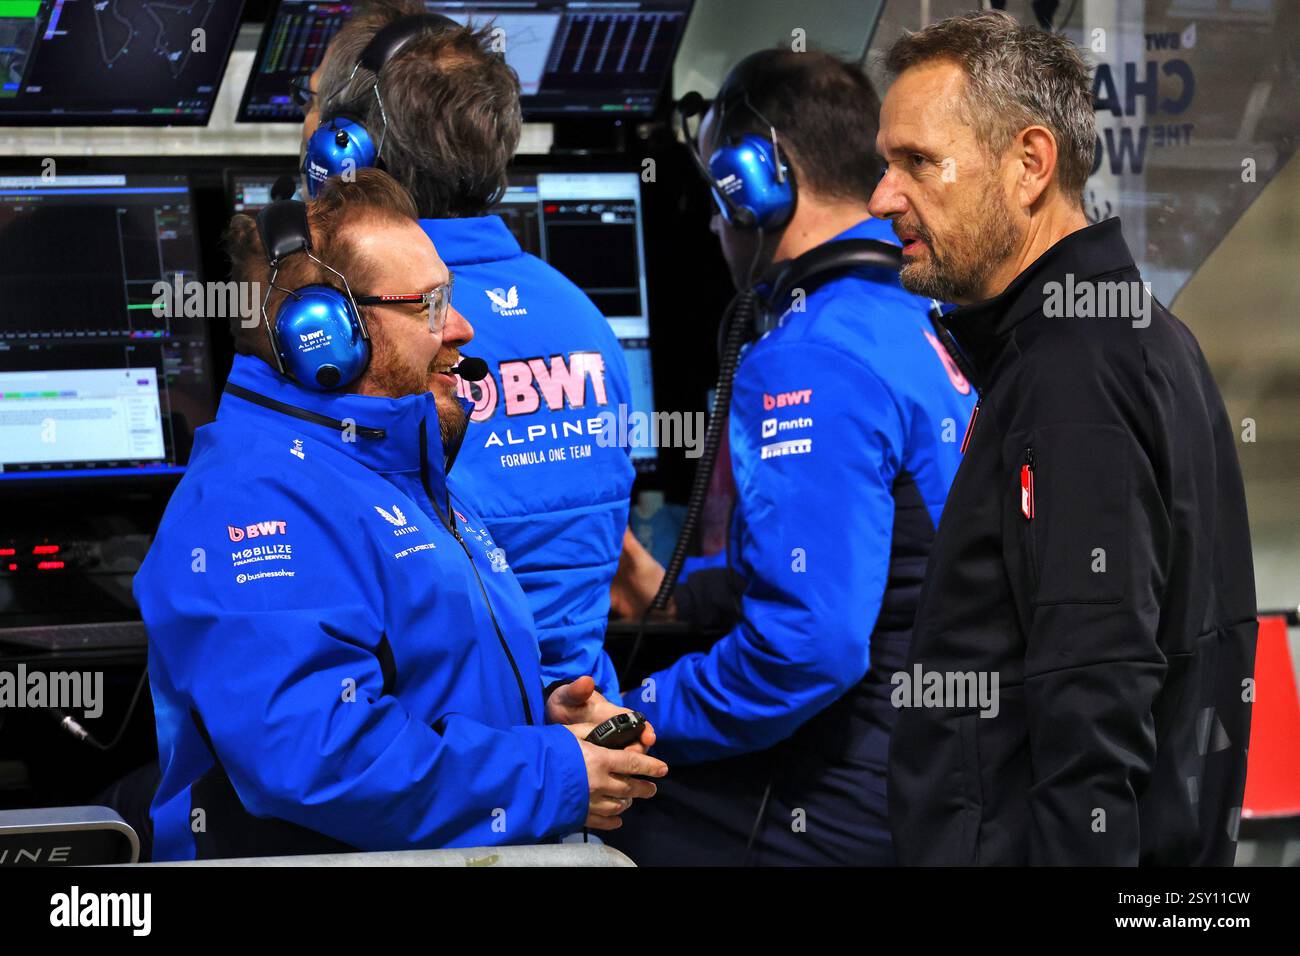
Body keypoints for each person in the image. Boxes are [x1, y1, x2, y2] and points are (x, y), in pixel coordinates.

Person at [133, 170, 665, 861]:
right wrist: (551, 772)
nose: (465, 326)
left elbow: (422, 691)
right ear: (324, 333)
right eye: (430, 305)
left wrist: (542, 721)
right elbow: (318, 757)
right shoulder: (254, 500)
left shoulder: (396, 468)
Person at [870, 11, 1257, 865]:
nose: (883, 197)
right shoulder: (1140, 334)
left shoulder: (1072, 371)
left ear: (1030, 164)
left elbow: (1096, 697)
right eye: (884, 164)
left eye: (917, 163)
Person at [607, 49, 976, 865]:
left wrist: (623, 718)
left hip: (857, 797)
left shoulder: (811, 355)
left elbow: (810, 647)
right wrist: (687, 594)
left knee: (578, 807)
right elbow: (884, 562)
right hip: (952, 774)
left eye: (715, 195)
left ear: (757, 183)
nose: (712, 223)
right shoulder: (936, 316)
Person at [302, 1, 637, 703]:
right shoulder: (583, 316)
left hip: (443, 740)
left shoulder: (364, 327)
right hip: (574, 720)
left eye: (311, 112)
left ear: (346, 147)